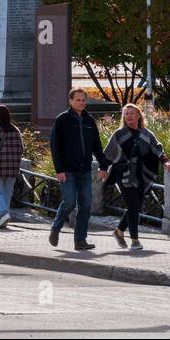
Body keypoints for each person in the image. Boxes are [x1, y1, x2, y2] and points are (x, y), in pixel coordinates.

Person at [49, 87, 111, 251]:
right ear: (70, 101)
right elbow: (55, 146)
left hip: (85, 170)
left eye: (83, 100)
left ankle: (80, 240)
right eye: (78, 100)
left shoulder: (89, 120)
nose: (81, 103)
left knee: (86, 205)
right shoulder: (62, 120)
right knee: (69, 202)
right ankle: (56, 227)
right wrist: (59, 169)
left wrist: (103, 165)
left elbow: (97, 146)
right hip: (67, 170)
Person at [103, 103, 170, 250]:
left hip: (141, 174)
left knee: (136, 207)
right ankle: (135, 240)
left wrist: (165, 161)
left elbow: (156, 148)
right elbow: (108, 154)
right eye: (126, 114)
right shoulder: (119, 134)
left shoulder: (146, 134)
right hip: (123, 174)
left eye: (132, 113)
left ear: (139, 115)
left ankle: (119, 231)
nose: (129, 116)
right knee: (133, 205)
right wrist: (103, 168)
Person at [0, 104, 24, 228]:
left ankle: (3, 214)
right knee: (8, 192)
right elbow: (21, 148)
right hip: (13, 166)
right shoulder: (16, 130)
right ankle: (5, 215)